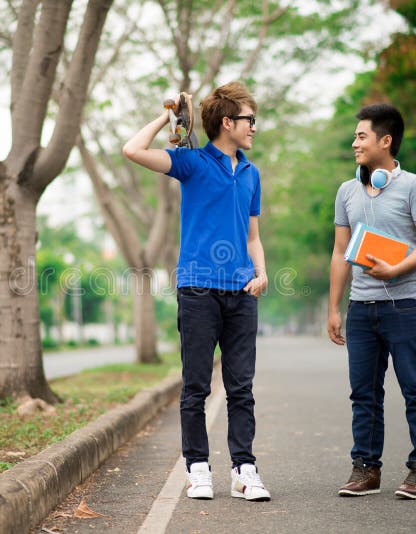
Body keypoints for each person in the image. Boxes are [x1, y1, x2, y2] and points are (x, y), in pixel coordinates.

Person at [122, 81, 271, 502]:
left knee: (241, 387)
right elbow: (131, 150)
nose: (254, 127)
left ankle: (244, 470)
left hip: (242, 292)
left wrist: (261, 273)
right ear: (228, 122)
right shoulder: (190, 163)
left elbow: (253, 235)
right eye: (249, 120)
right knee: (196, 387)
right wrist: (167, 116)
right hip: (198, 291)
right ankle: (198, 468)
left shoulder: (251, 173)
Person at [327, 103, 416, 500]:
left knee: (415, 389)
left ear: (386, 140)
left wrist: (397, 269)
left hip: (405, 305)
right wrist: (334, 308)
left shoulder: (415, 186)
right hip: (361, 308)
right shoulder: (346, 191)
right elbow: (340, 250)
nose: (355, 142)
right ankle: (366, 469)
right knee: (363, 393)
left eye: (362, 136)